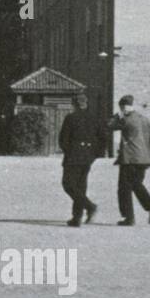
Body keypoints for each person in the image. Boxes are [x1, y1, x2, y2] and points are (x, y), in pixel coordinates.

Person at [108, 95, 150, 225]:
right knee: (136, 184)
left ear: (122, 107)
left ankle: (132, 216)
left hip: (130, 158)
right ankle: (149, 209)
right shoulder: (144, 119)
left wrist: (117, 115)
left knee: (124, 188)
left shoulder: (125, 120)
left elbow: (110, 125)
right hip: (144, 158)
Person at [59, 93, 105, 226]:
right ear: (86, 104)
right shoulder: (95, 118)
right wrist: (94, 154)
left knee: (68, 184)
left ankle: (89, 207)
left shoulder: (70, 118)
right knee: (80, 186)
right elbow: (103, 138)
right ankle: (77, 217)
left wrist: (68, 151)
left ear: (74, 105)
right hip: (88, 157)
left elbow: (63, 139)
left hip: (73, 155)